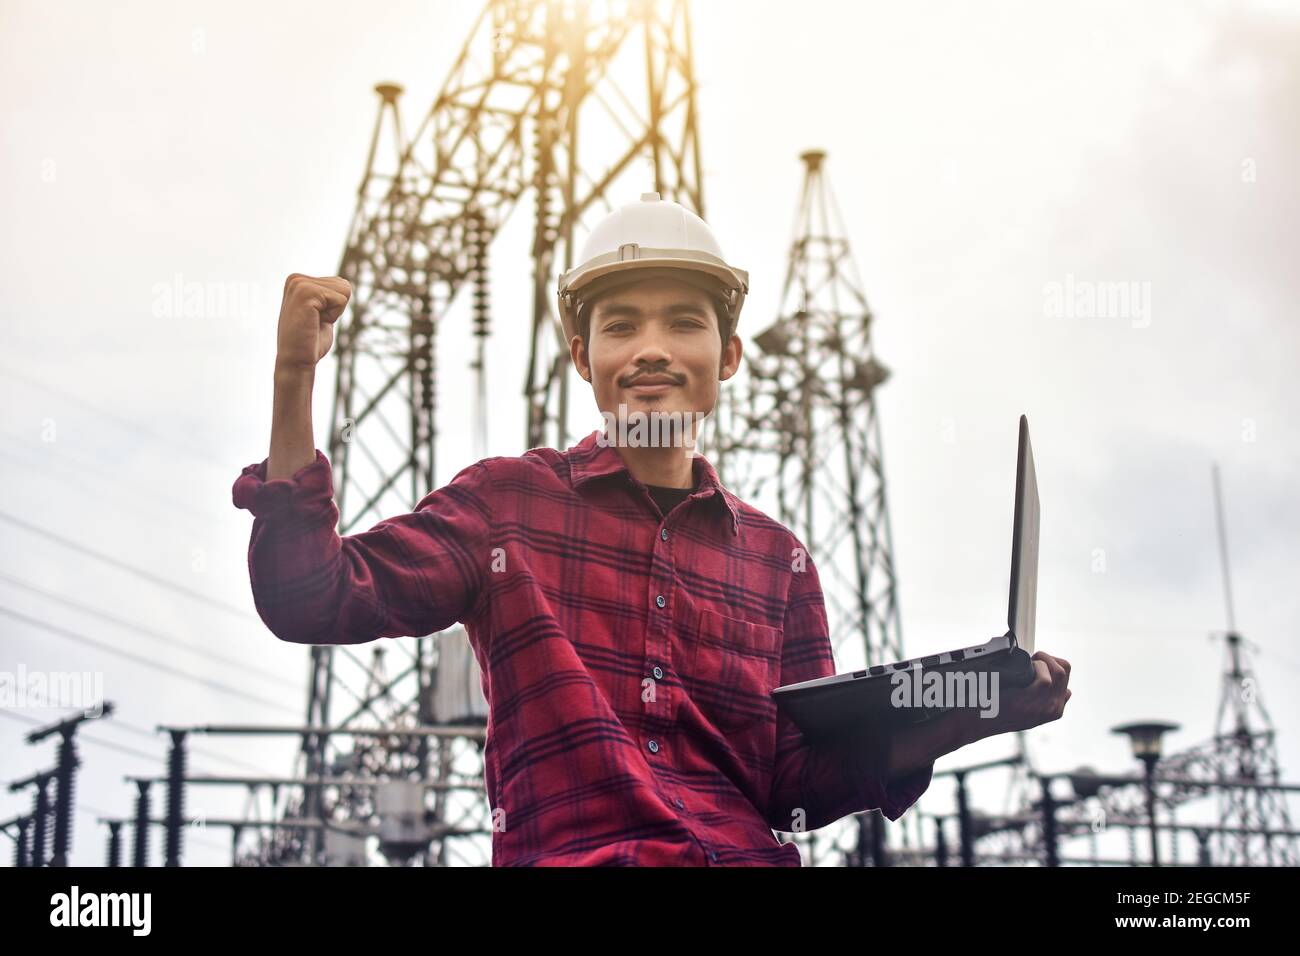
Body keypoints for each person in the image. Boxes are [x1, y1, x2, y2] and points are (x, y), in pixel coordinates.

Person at [232, 192, 1072, 866]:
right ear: (580, 356)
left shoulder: (778, 560)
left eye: (684, 322)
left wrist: (980, 711)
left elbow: (795, 788)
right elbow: (310, 597)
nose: (652, 350)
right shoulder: (505, 508)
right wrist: (293, 378)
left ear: (729, 356)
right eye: (622, 325)